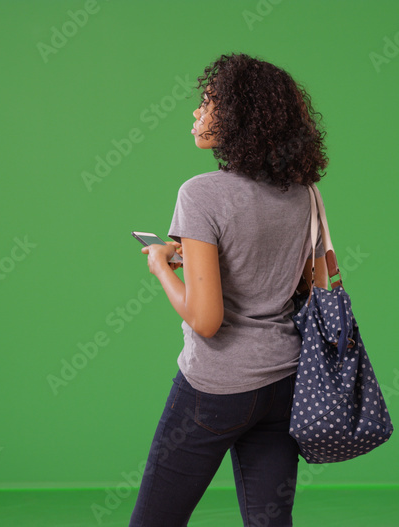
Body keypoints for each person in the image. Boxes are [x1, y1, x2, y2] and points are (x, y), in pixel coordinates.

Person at [130, 52, 329, 527]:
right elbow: (297, 283)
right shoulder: (303, 193)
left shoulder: (200, 193)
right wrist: (204, 259)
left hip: (215, 388)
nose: (197, 114)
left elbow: (205, 320)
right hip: (284, 382)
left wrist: (162, 265)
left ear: (240, 118)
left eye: (208, 103)